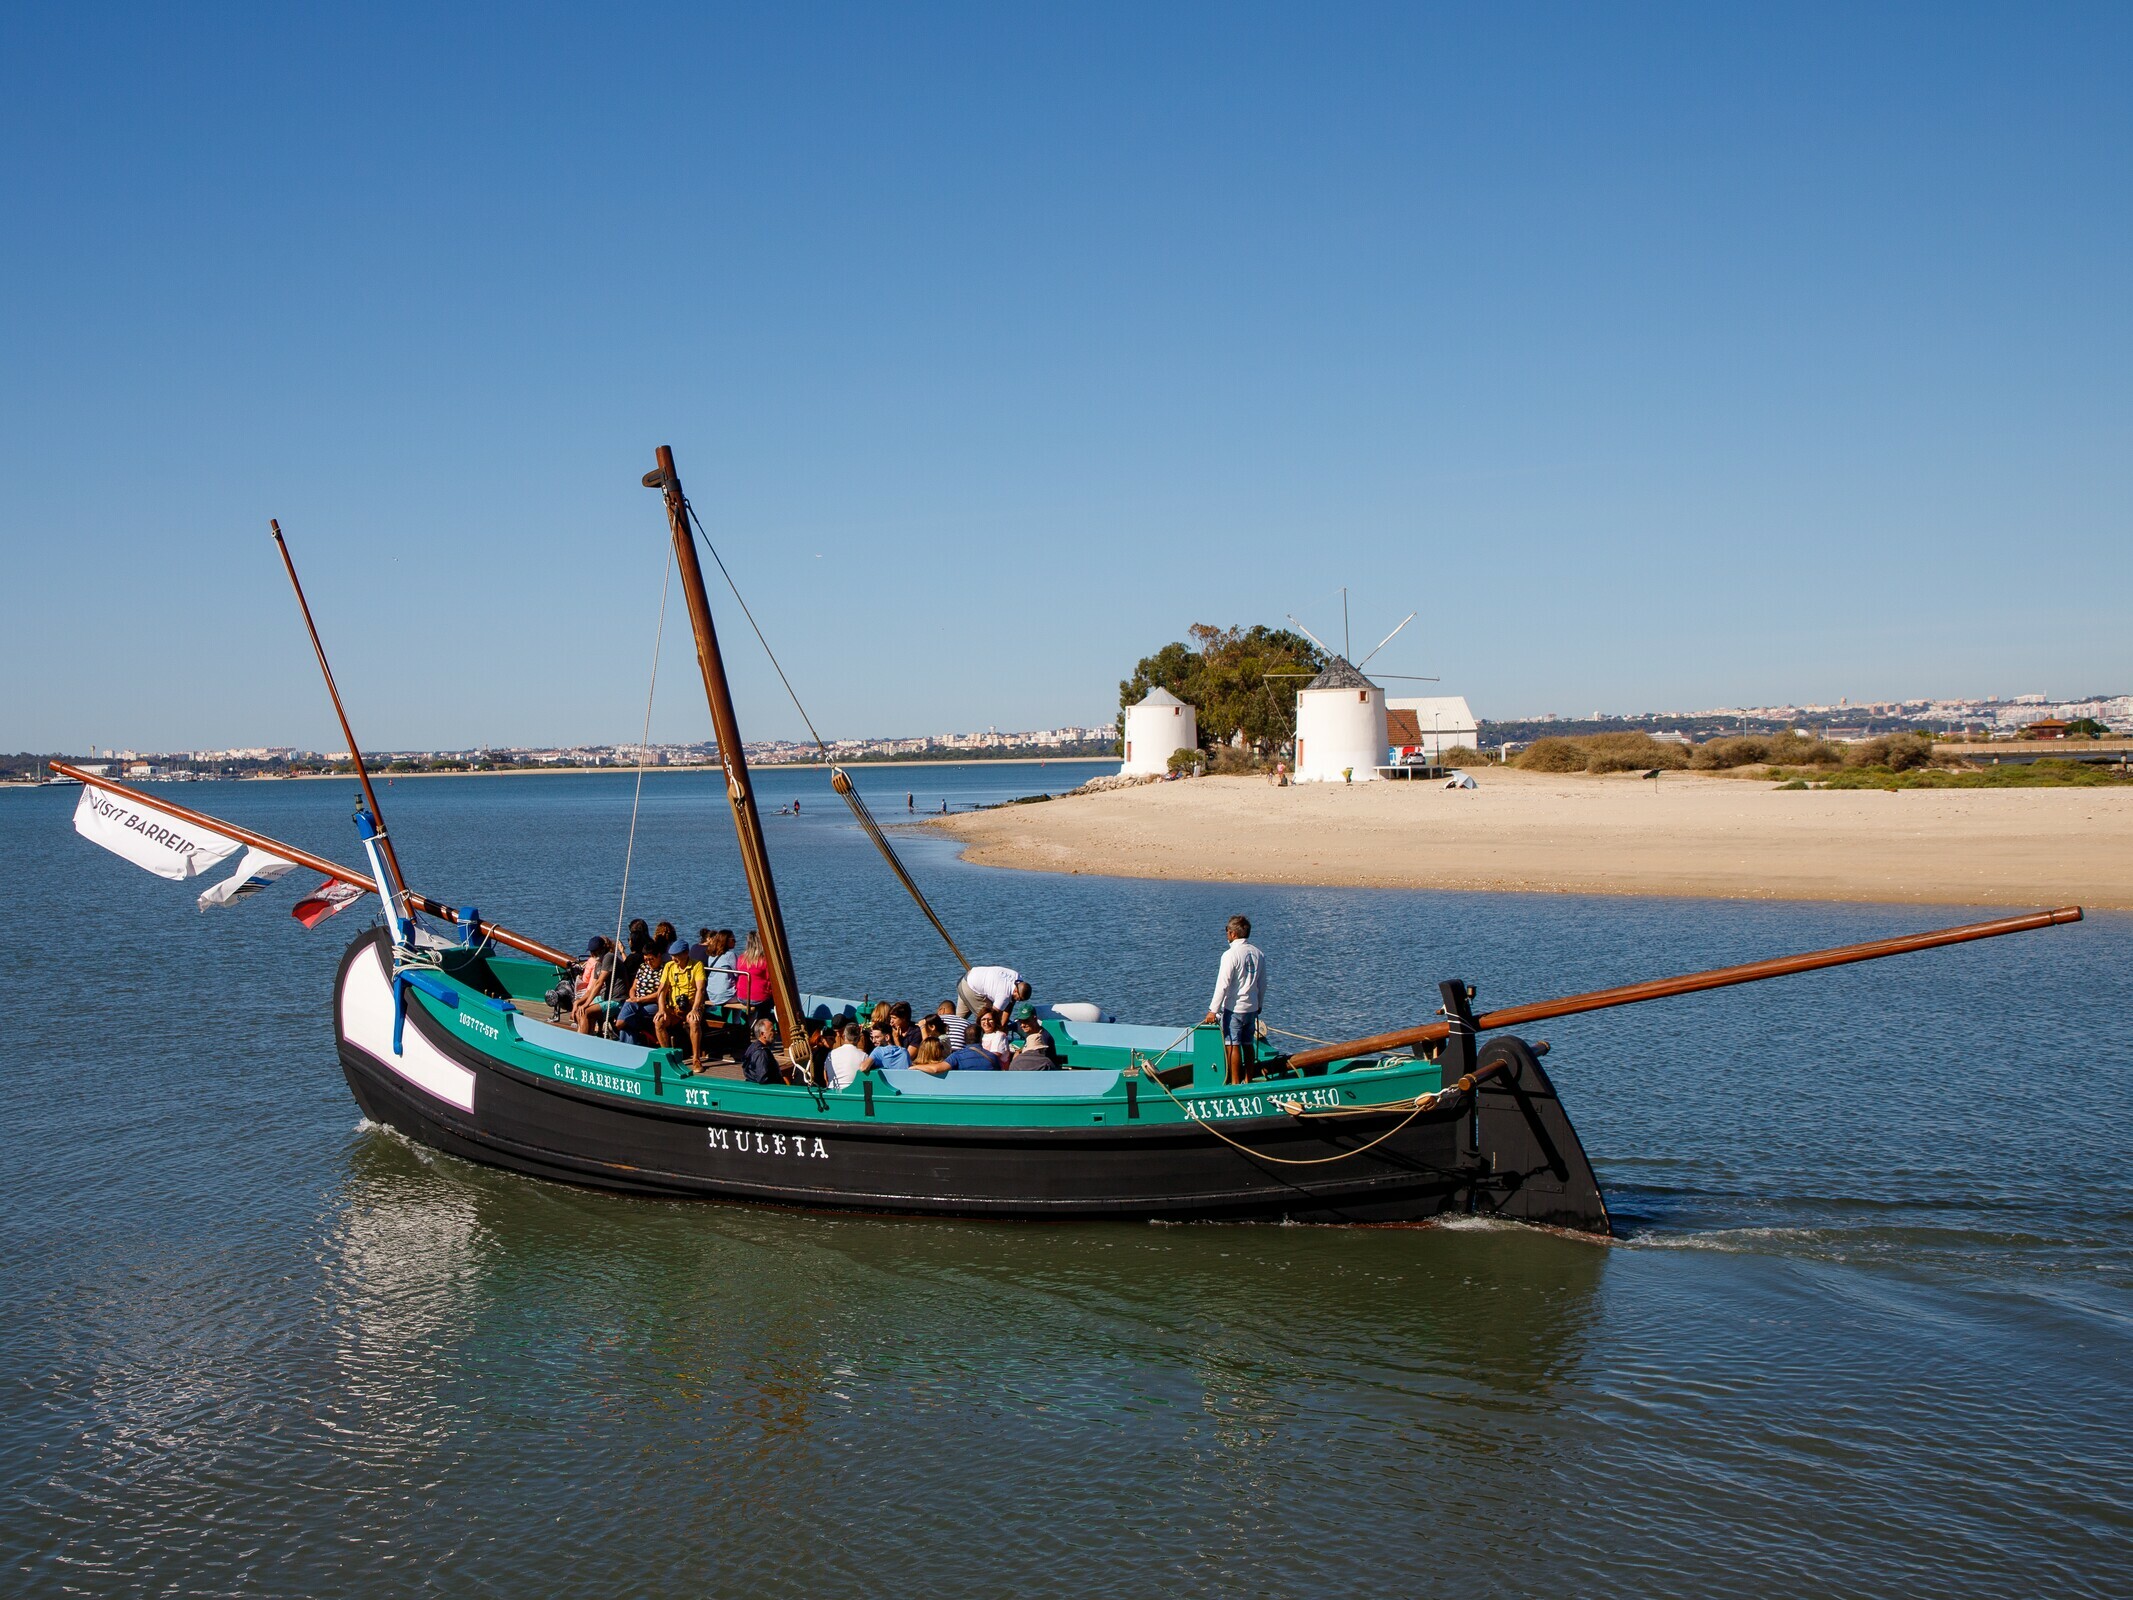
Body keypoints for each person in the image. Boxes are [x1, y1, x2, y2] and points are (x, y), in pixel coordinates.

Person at [1202, 914, 1267, 1085]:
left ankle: (1236, 1082)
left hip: (1234, 1008)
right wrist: (1259, 1004)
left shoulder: (1230, 955)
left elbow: (1222, 984)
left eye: (1227, 931)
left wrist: (1212, 1011)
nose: (1226, 935)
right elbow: (1263, 983)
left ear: (1233, 934)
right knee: (1248, 1043)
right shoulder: (1258, 953)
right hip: (1252, 1007)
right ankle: (1249, 1078)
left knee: (1233, 1045)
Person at [654, 939, 707, 1068]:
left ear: (685, 953)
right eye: (672, 955)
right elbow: (662, 991)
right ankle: (667, 1056)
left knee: (694, 1021)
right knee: (659, 1021)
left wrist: (695, 1008)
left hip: (691, 1006)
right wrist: (661, 1009)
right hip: (674, 1008)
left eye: (676, 955)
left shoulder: (697, 965)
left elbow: (701, 989)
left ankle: (696, 1059)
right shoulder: (669, 966)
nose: (673, 959)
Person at [613, 928, 664, 1042]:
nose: (648, 962)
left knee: (628, 1017)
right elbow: (633, 987)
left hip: (652, 1003)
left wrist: (639, 1000)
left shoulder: (663, 971)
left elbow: (659, 993)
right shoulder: (642, 967)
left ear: (659, 956)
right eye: (646, 959)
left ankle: (618, 1025)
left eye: (651, 959)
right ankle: (629, 1047)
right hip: (636, 1002)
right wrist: (633, 997)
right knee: (630, 1013)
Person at [569, 936, 615, 1033]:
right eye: (591, 952)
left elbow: (599, 983)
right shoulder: (598, 964)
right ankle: (586, 1035)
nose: (592, 954)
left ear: (602, 949)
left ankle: (584, 1040)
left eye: (594, 951)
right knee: (579, 1011)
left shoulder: (609, 957)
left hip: (614, 998)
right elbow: (592, 988)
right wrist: (578, 1002)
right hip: (601, 996)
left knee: (585, 1012)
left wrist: (585, 1004)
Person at [957, 964, 1032, 1020]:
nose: (1018, 1001)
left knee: (958, 1020)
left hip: (968, 977)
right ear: (1015, 990)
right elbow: (994, 1015)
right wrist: (1001, 1029)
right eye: (1019, 999)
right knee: (988, 1019)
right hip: (970, 988)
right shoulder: (1004, 995)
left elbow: (1009, 1007)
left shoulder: (1017, 977)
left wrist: (1003, 1024)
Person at [826, 1023, 872, 1090]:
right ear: (859, 1037)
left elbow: (826, 1075)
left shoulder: (831, 1054)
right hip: (854, 1093)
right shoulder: (864, 1056)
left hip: (832, 1091)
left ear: (844, 1035)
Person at [738, 1014, 782, 1084]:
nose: (775, 1032)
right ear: (762, 1034)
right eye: (772, 1030)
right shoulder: (761, 1053)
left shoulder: (753, 1046)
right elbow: (763, 1078)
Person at [734, 930, 771, 1011]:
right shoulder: (764, 960)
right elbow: (770, 980)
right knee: (772, 1001)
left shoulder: (741, 958)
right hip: (758, 998)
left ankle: (753, 1020)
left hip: (742, 997)